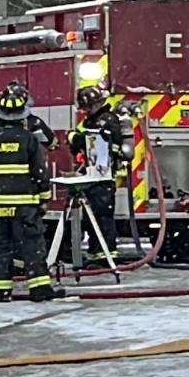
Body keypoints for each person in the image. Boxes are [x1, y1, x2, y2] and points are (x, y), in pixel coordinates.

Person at [0, 90, 60, 302]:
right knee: (32, 246)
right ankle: (39, 288)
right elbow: (39, 172)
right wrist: (44, 198)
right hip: (24, 207)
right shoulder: (29, 140)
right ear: (23, 114)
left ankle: (0, 291)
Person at [68, 86, 123, 265]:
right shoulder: (92, 120)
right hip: (93, 174)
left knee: (102, 216)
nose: (86, 111)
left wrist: (77, 139)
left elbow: (102, 145)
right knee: (93, 217)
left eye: (88, 107)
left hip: (103, 176)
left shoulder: (107, 121)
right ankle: (96, 254)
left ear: (96, 104)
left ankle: (106, 255)